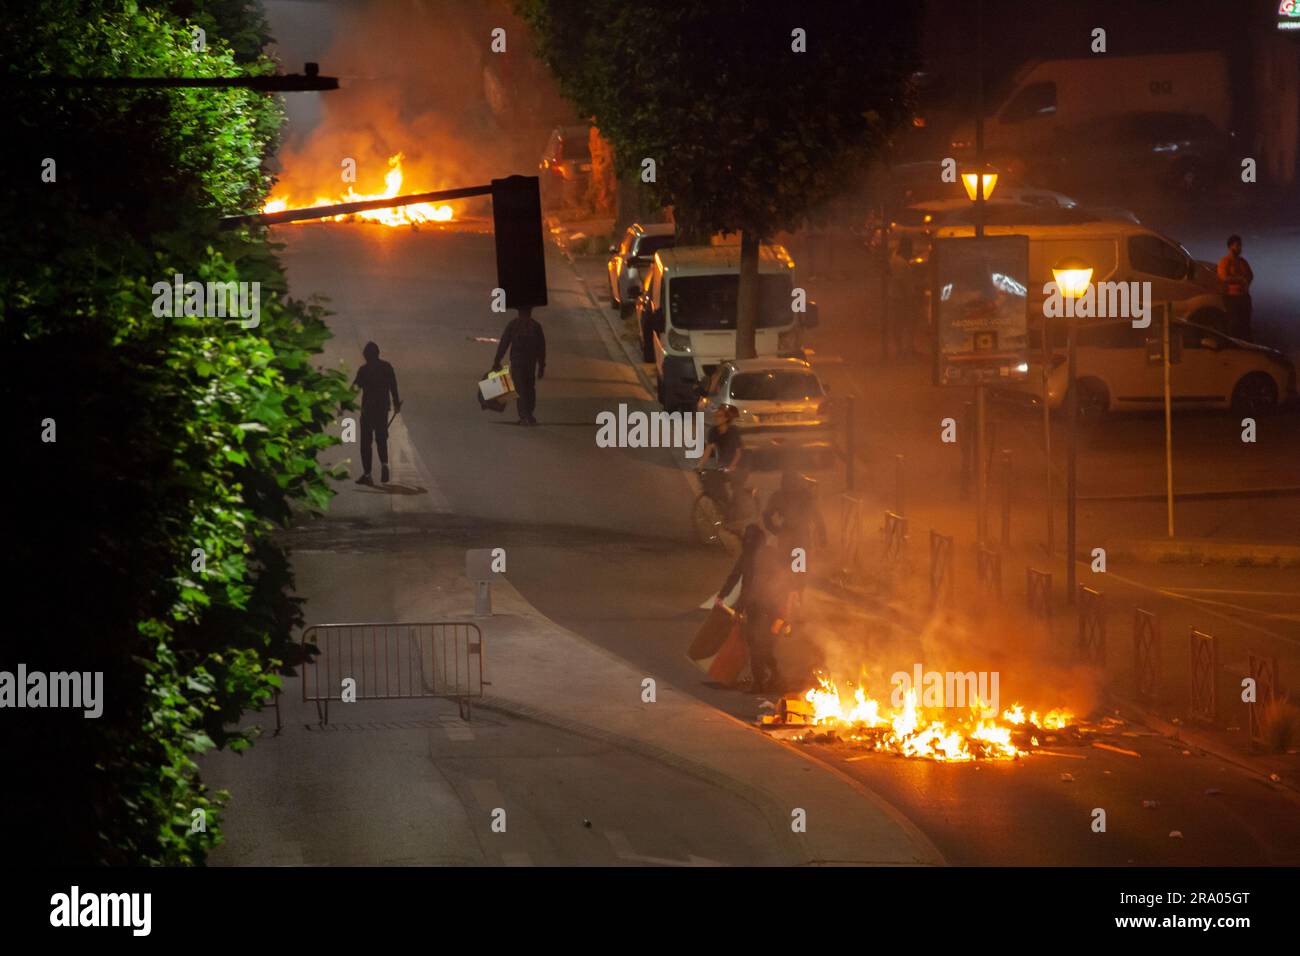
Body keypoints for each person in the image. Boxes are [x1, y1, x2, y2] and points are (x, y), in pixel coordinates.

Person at [715, 524, 786, 692]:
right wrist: (722, 595)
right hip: (758, 606)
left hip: (765, 607)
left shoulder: (763, 557)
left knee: (757, 644)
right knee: (759, 644)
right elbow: (735, 577)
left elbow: (755, 587)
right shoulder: (750, 556)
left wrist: (738, 609)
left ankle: (760, 682)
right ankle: (775, 677)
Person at [763, 468, 828, 607]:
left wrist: (775, 529)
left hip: (791, 536)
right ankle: (795, 597)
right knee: (794, 568)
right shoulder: (804, 495)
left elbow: (766, 515)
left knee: (788, 568)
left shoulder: (782, 495)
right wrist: (822, 536)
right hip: (798, 537)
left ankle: (790, 598)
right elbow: (818, 517)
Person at [352, 341, 401, 486]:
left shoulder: (364, 370)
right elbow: (394, 386)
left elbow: (355, 388)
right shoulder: (387, 367)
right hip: (382, 409)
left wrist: (344, 401)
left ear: (366, 356)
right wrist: (396, 404)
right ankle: (384, 464)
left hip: (368, 410)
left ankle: (367, 475)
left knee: (366, 443)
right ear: (378, 353)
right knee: (381, 438)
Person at [492, 306, 547, 425]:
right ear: (530, 311)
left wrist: (497, 360)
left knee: (520, 389)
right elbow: (541, 348)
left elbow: (504, 343)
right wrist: (541, 366)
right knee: (530, 388)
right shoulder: (536, 326)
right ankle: (529, 414)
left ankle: (524, 416)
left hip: (517, 362)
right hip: (530, 363)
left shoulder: (513, 325)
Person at [700, 404, 748, 519]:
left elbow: (738, 453)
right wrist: (700, 464)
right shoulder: (713, 431)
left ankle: (738, 515)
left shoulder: (733, 431)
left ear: (726, 419)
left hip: (740, 464)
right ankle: (726, 511)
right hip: (724, 464)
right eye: (716, 416)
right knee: (715, 483)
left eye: (720, 416)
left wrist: (732, 467)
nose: (716, 418)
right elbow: (708, 449)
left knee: (736, 487)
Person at [1217, 234, 1254, 340]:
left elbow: (1250, 275)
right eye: (1237, 245)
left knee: (1245, 323)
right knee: (1234, 323)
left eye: (1240, 246)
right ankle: (1233, 345)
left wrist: (1246, 283)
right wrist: (1239, 280)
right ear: (1230, 247)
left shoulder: (1243, 262)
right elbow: (1223, 277)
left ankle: (1246, 345)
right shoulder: (1224, 261)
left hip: (1244, 297)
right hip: (1231, 297)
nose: (1239, 248)